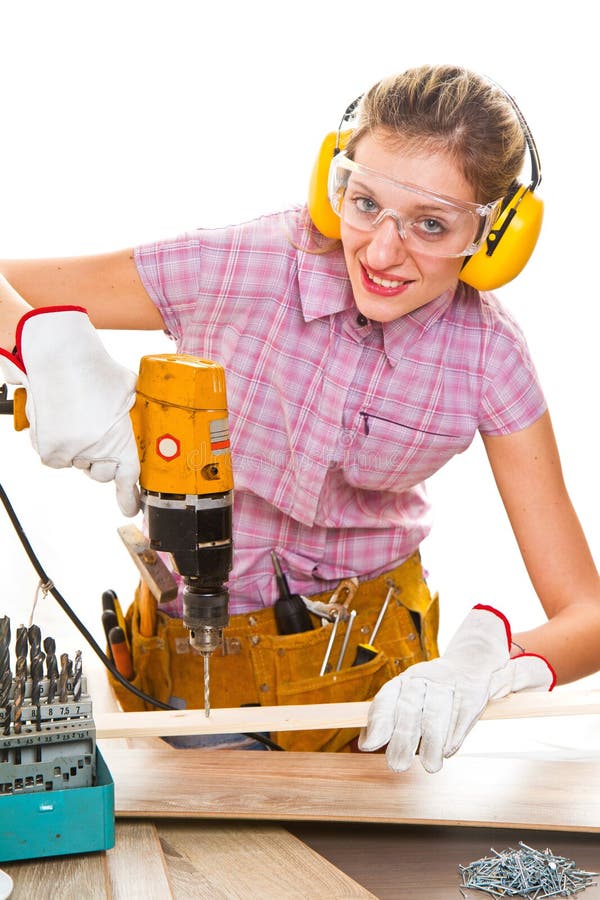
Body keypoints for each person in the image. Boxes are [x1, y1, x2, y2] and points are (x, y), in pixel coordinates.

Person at [0, 64, 599, 770]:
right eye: (365, 203)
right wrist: (39, 347)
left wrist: (492, 663)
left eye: (432, 225)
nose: (382, 251)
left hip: (371, 683)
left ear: (494, 238)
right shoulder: (241, 266)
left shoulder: (489, 356)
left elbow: (587, 616)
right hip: (185, 674)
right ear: (331, 184)